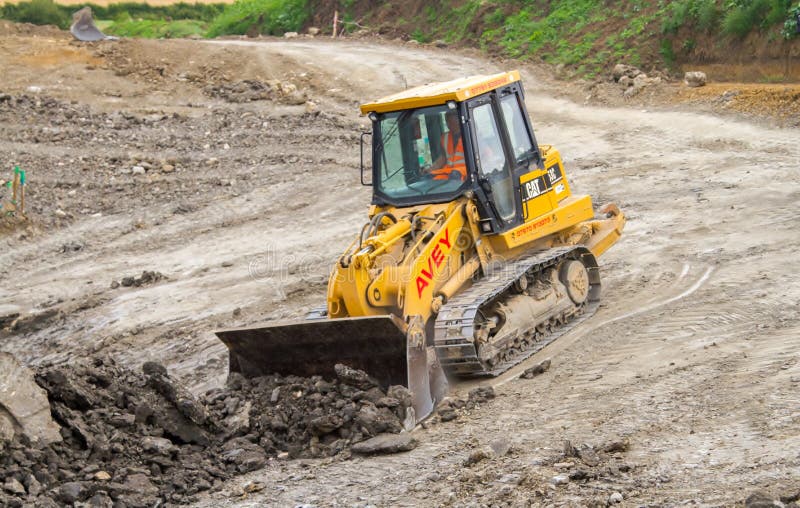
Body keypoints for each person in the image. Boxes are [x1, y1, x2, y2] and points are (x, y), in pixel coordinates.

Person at [428, 110, 467, 181]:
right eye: (447, 121)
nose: (449, 124)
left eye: (451, 121)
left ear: (458, 120)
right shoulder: (445, 137)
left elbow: (485, 158)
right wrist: (430, 169)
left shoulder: (469, 135)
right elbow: (443, 158)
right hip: (449, 174)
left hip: (465, 174)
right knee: (432, 178)